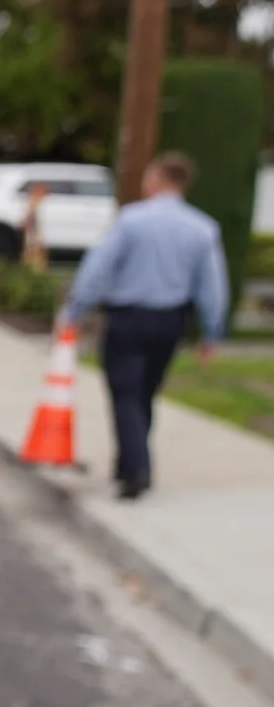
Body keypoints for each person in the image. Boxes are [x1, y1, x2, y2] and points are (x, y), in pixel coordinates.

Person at [59, 152, 230, 500]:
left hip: (128, 318)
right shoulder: (202, 228)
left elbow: (98, 267)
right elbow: (212, 287)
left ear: (157, 180)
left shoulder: (131, 221)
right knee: (145, 393)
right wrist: (211, 331)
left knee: (125, 394)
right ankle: (129, 463)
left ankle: (136, 470)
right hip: (169, 321)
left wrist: (75, 308)